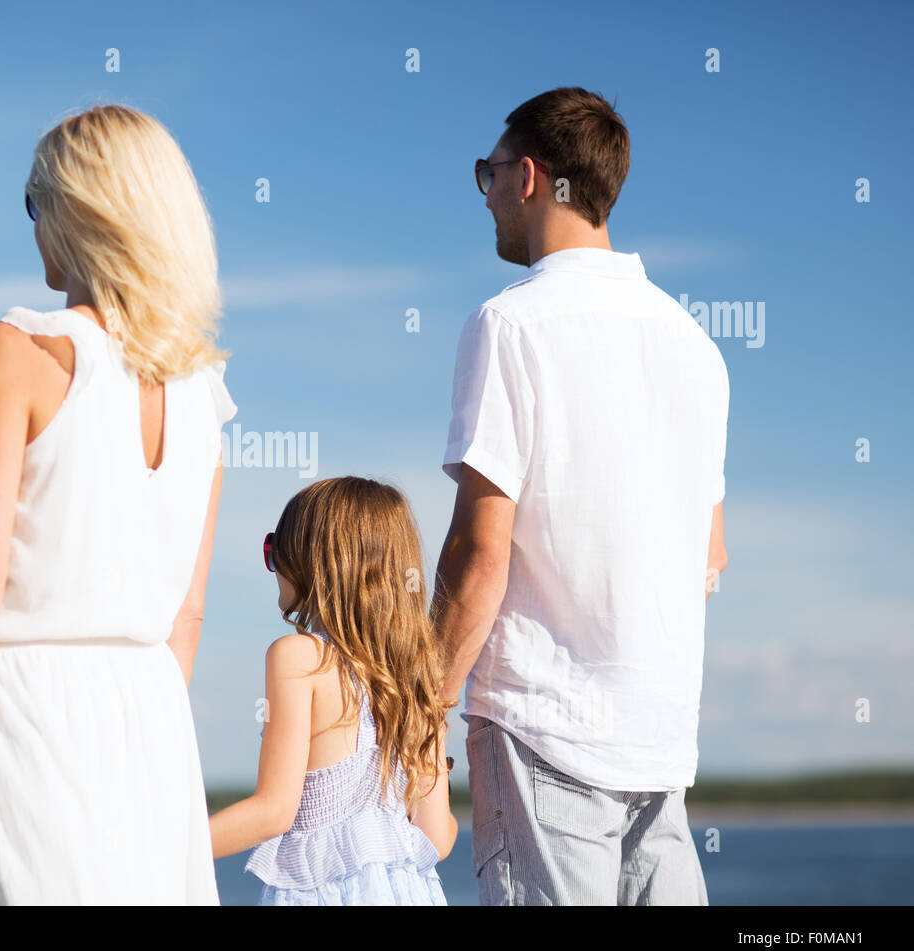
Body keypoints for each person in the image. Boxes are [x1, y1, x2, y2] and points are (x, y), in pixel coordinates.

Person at [0, 105, 236, 904]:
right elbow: (185, 615)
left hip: (27, 712)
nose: (34, 224)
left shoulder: (16, 351)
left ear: (82, 209)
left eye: (34, 201)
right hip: (154, 714)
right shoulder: (205, 396)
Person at [433, 87, 730, 905]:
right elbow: (711, 554)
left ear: (528, 177)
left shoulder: (511, 324)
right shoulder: (696, 346)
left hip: (544, 732)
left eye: (488, 173)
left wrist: (420, 704)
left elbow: (480, 549)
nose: (486, 192)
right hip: (660, 744)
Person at [210, 477, 456, 905]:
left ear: (311, 561)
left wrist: (168, 848)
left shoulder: (299, 658)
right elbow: (438, 837)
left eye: (274, 550)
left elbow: (273, 811)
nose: (271, 565)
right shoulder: (419, 677)